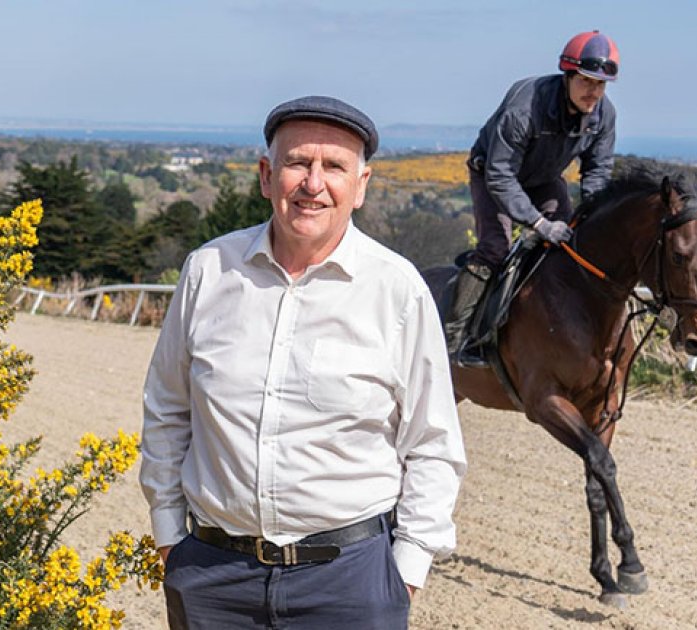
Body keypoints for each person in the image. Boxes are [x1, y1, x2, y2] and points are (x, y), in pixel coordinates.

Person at [140, 95, 467, 629]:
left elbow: (433, 442)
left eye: (334, 166)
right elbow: (167, 409)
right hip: (212, 579)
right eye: (297, 163)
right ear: (267, 176)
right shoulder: (207, 272)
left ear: (360, 185)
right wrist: (170, 537)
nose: (313, 184)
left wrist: (404, 571)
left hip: (350, 584)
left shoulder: (397, 290)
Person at [446, 30, 621, 367]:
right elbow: (500, 175)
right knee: (495, 248)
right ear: (567, 75)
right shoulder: (525, 107)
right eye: (586, 81)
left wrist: (594, 216)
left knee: (569, 244)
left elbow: (598, 171)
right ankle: (455, 337)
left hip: (544, 179)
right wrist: (538, 223)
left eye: (601, 85)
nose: (594, 92)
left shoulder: (604, 115)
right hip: (493, 174)